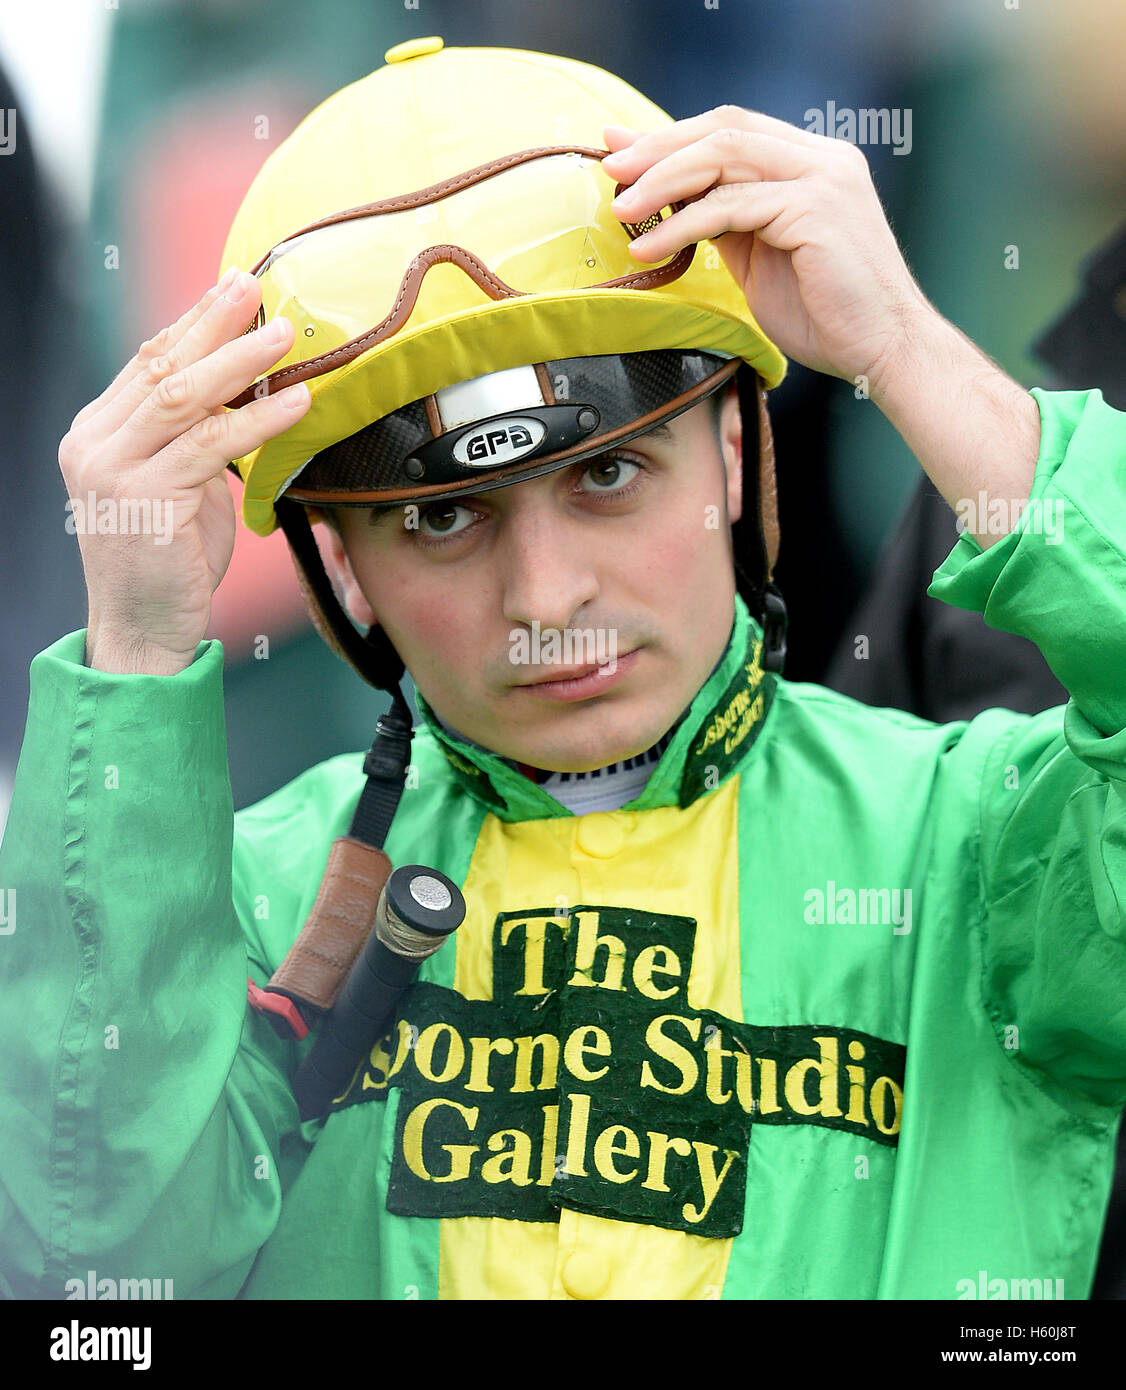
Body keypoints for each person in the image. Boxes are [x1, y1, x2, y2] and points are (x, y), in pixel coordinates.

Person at [2, 37, 1124, 1302]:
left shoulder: (989, 848)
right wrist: (136, 647)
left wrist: (908, 348)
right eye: (440, 516)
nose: (546, 601)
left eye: (606, 473)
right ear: (342, 566)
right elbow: (87, 1275)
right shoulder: (242, 908)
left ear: (738, 459)